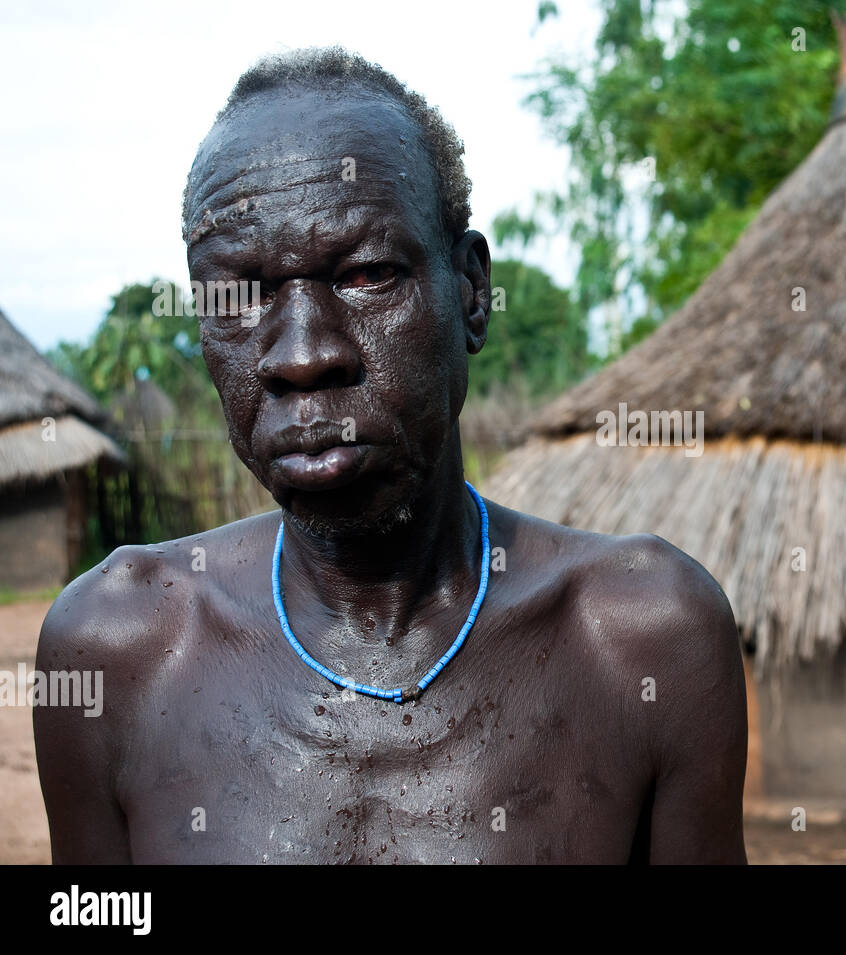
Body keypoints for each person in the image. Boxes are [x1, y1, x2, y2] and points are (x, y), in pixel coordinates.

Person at [35, 49, 747, 864]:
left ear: (471, 292)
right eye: (238, 295)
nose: (302, 355)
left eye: (369, 274)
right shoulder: (117, 649)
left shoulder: (644, 637)